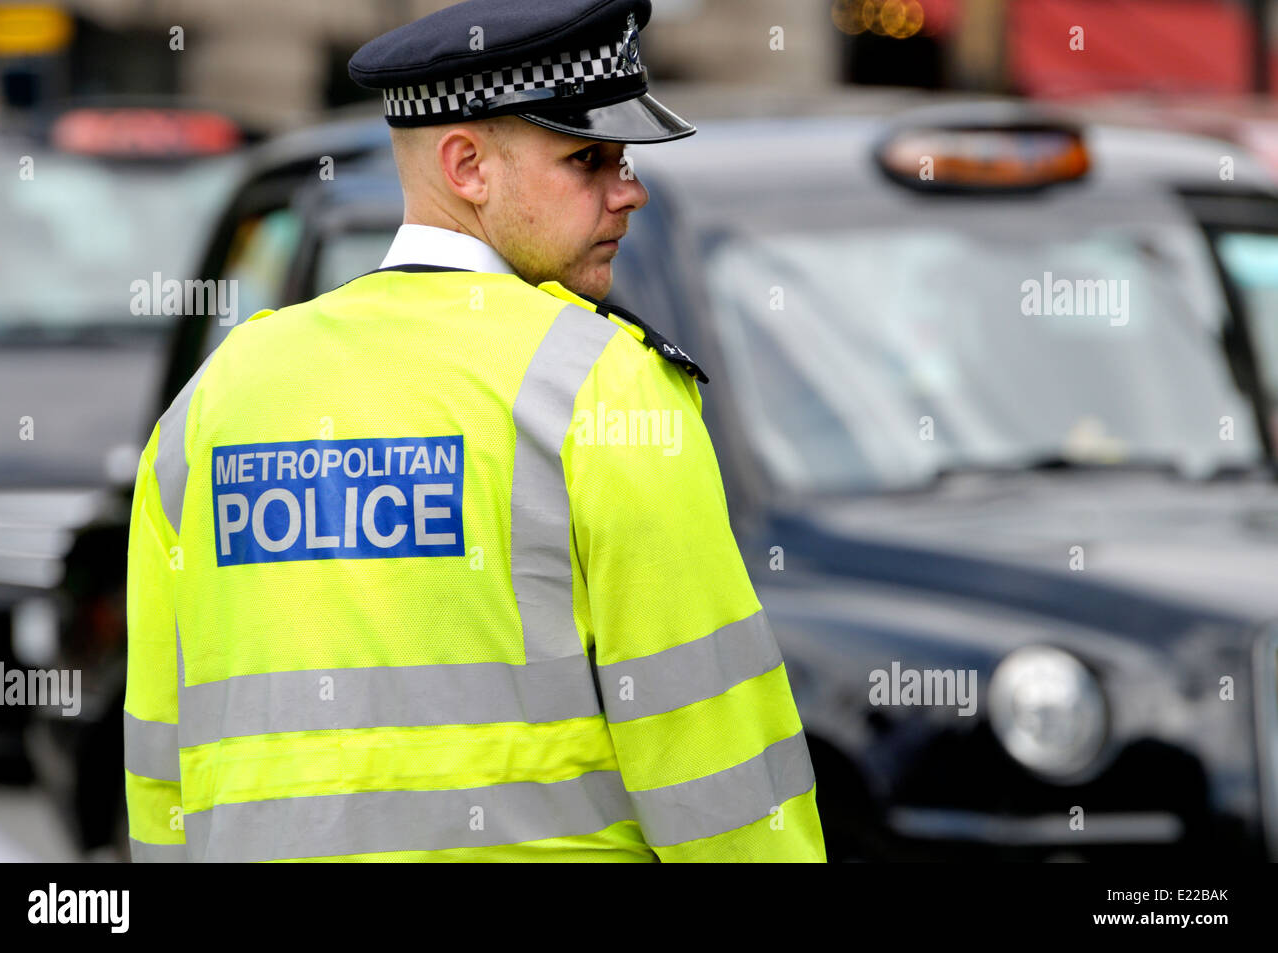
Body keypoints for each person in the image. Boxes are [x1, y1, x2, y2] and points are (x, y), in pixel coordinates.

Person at [123, 0, 826, 862]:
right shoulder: (603, 385)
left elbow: (160, 761)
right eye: (588, 158)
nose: (629, 188)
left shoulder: (216, 398)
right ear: (467, 166)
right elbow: (721, 769)